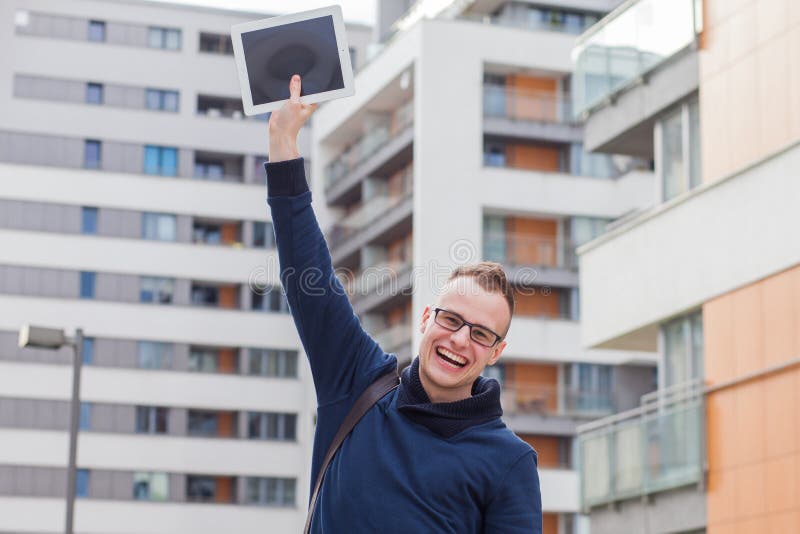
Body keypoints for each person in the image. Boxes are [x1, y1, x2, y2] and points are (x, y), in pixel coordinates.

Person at [266, 74, 542, 533]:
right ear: (426, 318)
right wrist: (283, 143)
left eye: (479, 333)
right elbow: (308, 278)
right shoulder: (357, 383)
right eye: (452, 319)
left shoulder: (508, 462)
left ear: (496, 352)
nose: (459, 339)